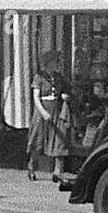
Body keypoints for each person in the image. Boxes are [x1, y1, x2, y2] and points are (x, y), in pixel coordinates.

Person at [26, 53, 71, 182]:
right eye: (55, 61)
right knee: (38, 138)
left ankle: (58, 172)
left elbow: (65, 90)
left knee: (59, 138)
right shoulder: (39, 77)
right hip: (43, 110)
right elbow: (36, 97)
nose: (57, 64)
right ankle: (32, 166)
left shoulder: (58, 77)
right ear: (48, 63)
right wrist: (43, 112)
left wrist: (63, 95)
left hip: (56, 109)